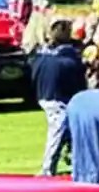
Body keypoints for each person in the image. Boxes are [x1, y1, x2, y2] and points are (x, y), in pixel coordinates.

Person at [31, 19, 86, 176]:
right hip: (57, 98)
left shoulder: (42, 56)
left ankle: (76, 161)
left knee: (68, 130)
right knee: (59, 130)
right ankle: (48, 170)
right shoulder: (68, 59)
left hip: (46, 94)